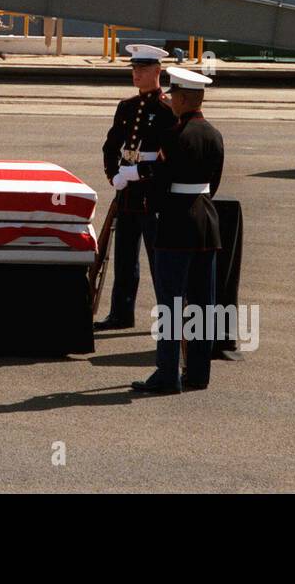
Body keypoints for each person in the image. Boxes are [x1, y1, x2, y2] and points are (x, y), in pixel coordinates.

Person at [124, 66, 224, 394]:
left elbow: (160, 183)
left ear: (181, 99)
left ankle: (167, 374)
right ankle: (199, 372)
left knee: (171, 303)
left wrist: (149, 201)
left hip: (176, 225)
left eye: (173, 96)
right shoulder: (214, 134)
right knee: (202, 303)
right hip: (206, 224)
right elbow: (214, 183)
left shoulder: (174, 135)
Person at [97, 44, 176, 331]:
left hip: (152, 192)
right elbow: (110, 146)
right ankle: (120, 313)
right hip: (128, 192)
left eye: (142, 70)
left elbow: (170, 154)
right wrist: (113, 175)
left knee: (160, 259)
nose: (136, 74)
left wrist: (140, 171)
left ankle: (168, 315)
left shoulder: (168, 108)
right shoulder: (127, 106)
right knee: (124, 256)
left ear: (157, 71)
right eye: (134, 69)